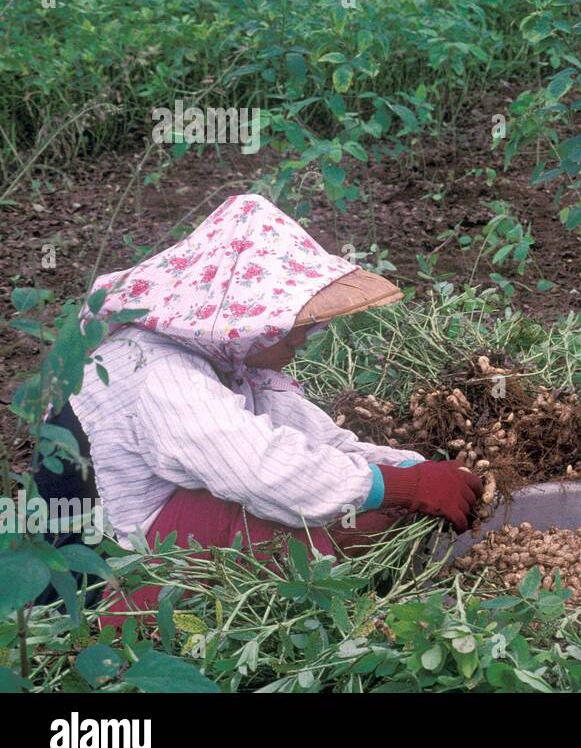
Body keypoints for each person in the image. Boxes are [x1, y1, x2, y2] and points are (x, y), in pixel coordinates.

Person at [54, 194, 483, 622]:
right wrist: (399, 486)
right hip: (104, 573)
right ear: (247, 322)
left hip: (162, 525)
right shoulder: (161, 372)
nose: (303, 338)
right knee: (287, 532)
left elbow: (317, 442)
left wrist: (410, 470)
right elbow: (261, 470)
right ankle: (131, 625)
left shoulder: (224, 360)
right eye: (290, 326)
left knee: (363, 506)